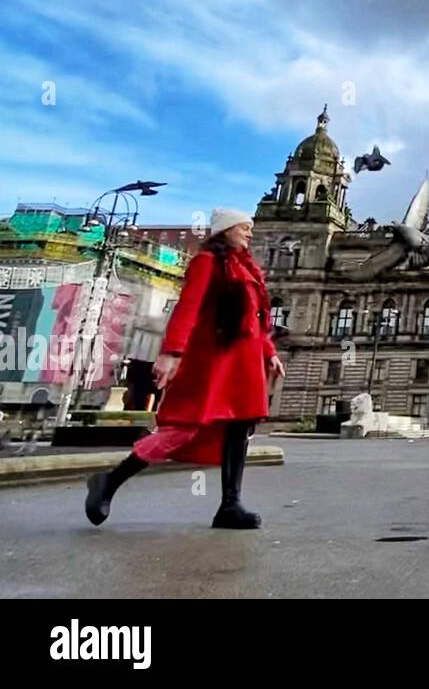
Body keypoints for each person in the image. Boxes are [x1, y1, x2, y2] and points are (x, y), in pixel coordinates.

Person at [84, 208, 284, 530]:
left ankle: (230, 506)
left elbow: (256, 320)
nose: (249, 233)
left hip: (244, 363)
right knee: (185, 428)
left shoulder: (248, 270)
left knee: (239, 430)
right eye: (244, 228)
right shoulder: (207, 263)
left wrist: (269, 352)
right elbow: (187, 308)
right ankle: (109, 481)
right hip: (214, 361)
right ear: (226, 230)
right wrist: (172, 353)